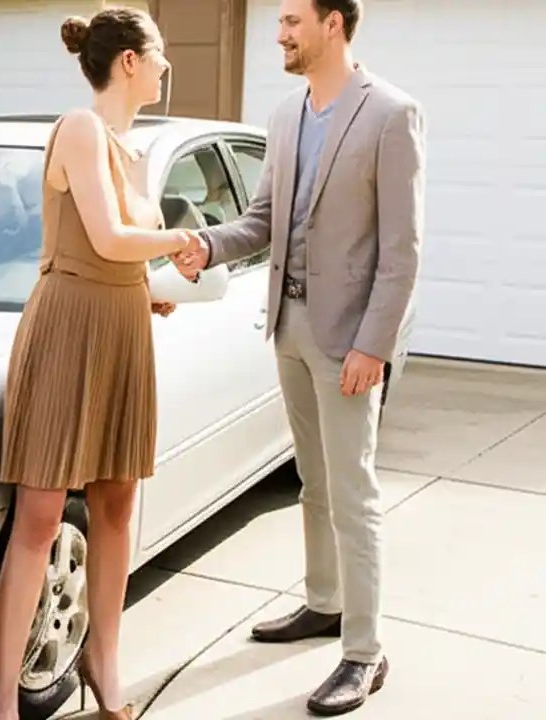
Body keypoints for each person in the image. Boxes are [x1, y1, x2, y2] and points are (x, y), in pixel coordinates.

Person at [175, 0, 425, 714]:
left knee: (353, 495)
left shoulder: (391, 114)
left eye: (291, 21)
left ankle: (364, 651)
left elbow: (403, 253)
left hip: (350, 341)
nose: (279, 33)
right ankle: (323, 603)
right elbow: (261, 220)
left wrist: (373, 346)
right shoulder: (285, 115)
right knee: (313, 485)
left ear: (333, 24)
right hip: (287, 331)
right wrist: (208, 246)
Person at [0, 8, 195, 720]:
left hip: (123, 332)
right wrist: (177, 240)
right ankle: (1, 701)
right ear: (130, 62)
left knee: (115, 507)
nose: (168, 67)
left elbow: (120, 258)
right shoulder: (79, 129)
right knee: (41, 516)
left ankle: (105, 665)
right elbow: (106, 238)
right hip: (68, 328)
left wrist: (152, 290)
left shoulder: (134, 152)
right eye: (160, 54)